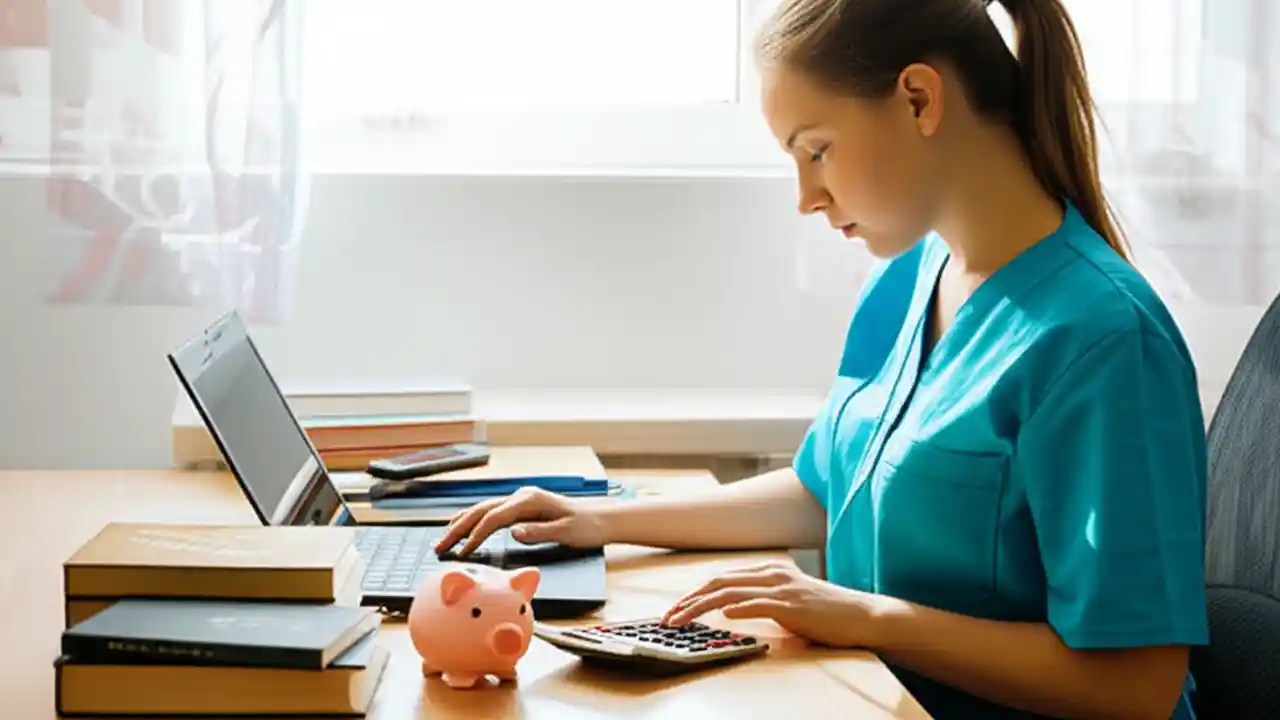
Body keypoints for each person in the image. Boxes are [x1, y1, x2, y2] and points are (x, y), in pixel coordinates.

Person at [435, 0, 1210, 717]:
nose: (806, 195)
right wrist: (598, 520)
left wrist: (860, 615)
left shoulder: (1104, 343)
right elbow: (826, 490)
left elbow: (1136, 684)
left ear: (918, 99)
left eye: (817, 150)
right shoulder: (913, 278)